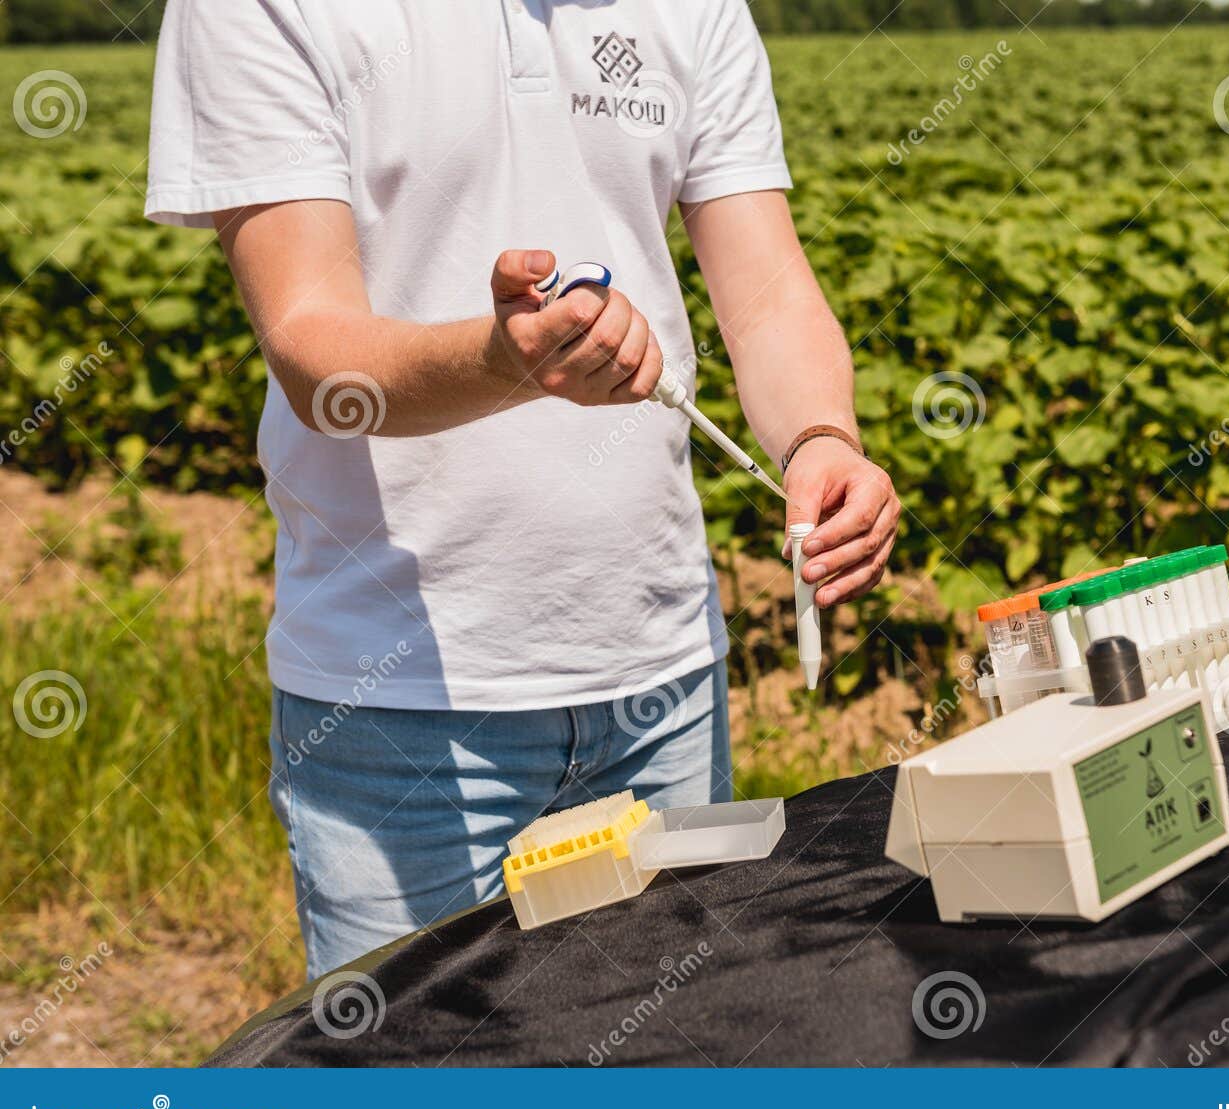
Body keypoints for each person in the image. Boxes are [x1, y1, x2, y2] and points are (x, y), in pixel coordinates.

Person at [145, 0, 900, 978]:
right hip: (396, 710)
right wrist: (508, 360)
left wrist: (819, 438)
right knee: (418, 1097)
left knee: (661, 1066)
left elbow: (766, 295)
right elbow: (313, 350)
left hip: (661, 685)